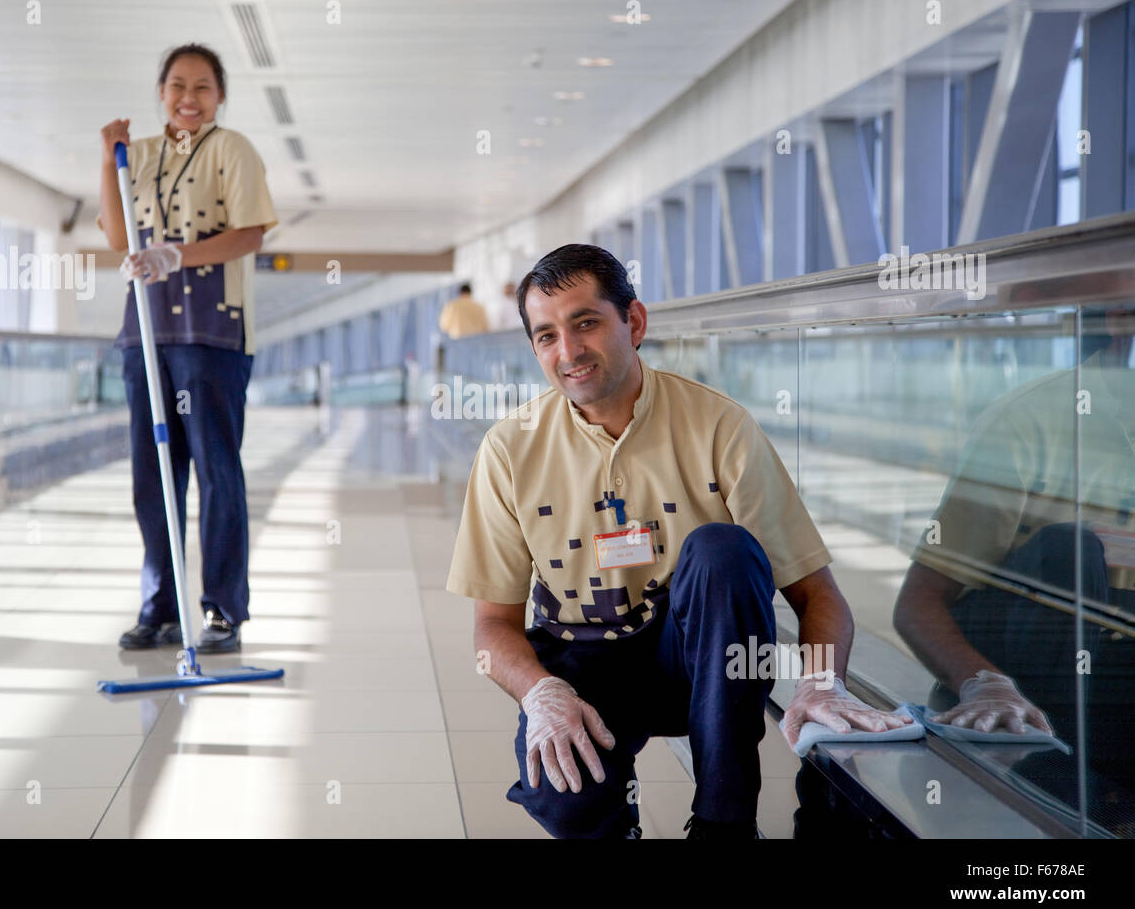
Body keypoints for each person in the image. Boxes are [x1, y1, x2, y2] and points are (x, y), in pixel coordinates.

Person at [444, 244, 908, 839]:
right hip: (583, 658)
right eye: (546, 336)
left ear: (633, 322)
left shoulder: (718, 426)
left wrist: (821, 681)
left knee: (723, 549)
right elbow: (492, 626)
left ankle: (724, 822)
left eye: (586, 323)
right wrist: (542, 694)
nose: (569, 351)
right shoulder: (510, 450)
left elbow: (818, 596)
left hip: (701, 658)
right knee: (564, 796)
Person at [893, 304, 1135, 833]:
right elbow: (917, 603)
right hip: (1035, 672)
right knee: (1070, 551)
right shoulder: (1031, 421)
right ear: (1119, 319)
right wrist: (984, 683)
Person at [97, 43, 277, 654]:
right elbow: (118, 234)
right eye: (177, 86)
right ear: (162, 93)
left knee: (216, 471)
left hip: (213, 334)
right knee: (154, 478)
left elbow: (250, 232)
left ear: (219, 96)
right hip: (146, 331)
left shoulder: (233, 150)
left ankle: (223, 610)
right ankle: (161, 608)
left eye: (202, 87)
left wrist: (177, 255)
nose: (188, 99)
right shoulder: (139, 156)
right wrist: (107, 161)